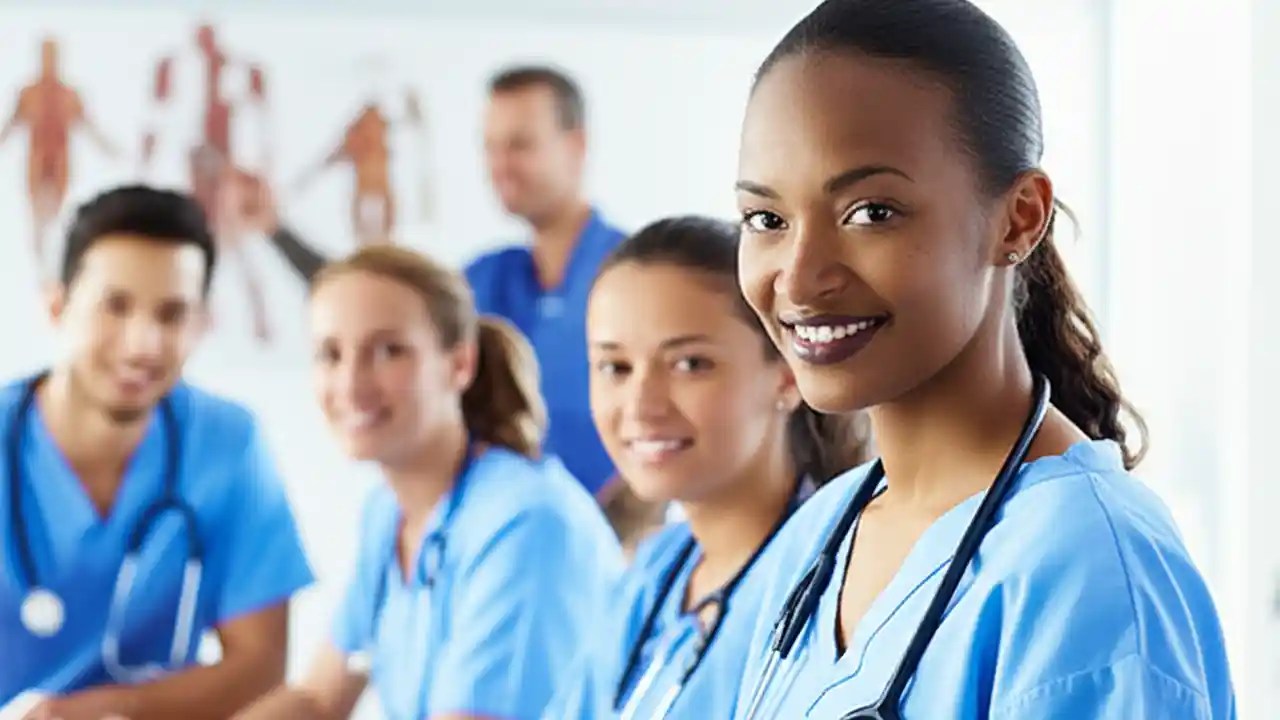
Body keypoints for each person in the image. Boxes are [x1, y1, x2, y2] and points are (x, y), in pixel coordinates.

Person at [729, 1, 1236, 718]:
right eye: (767, 220)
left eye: (872, 212)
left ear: (1019, 218)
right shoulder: (821, 537)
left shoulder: (1088, 566)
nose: (800, 277)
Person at [237, 245, 625, 720]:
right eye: (330, 354)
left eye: (388, 351)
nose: (351, 383)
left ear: (459, 363)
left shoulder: (528, 524)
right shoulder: (389, 514)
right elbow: (318, 699)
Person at [0, 185, 315, 719]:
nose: (142, 343)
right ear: (57, 306)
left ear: (199, 324)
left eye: (171, 315)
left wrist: (101, 712)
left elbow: (261, 663)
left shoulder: (226, 445)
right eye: (115, 307)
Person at [543, 217, 868, 720]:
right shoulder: (659, 571)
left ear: (787, 373)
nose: (641, 406)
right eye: (615, 367)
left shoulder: (836, 581)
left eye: (689, 364)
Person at [465, 65, 627, 504]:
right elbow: (383, 313)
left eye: (519, 145)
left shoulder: (634, 271)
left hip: (618, 548)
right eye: (490, 147)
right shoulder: (488, 278)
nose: (500, 166)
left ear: (576, 146)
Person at [0, 37, 118, 287]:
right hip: (36, 162)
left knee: (58, 214)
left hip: (61, 163)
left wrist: (110, 149)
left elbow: (88, 126)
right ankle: (39, 271)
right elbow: (10, 125)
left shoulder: (69, 94)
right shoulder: (28, 93)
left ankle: (57, 269)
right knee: (38, 216)